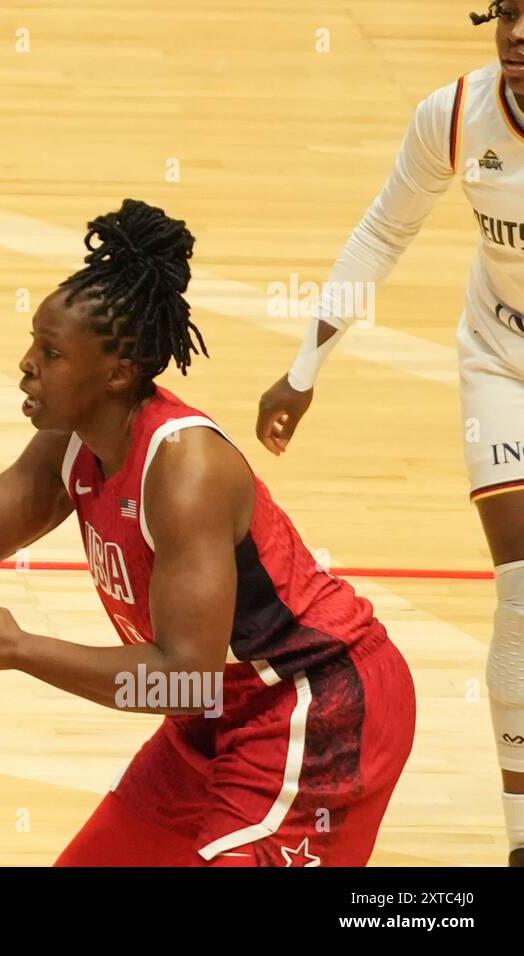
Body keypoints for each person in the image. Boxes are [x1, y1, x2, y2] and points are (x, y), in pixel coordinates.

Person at [0, 199, 416, 866]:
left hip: (314, 709)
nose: (27, 363)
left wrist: (22, 649)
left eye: (52, 352)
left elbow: (184, 678)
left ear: (118, 373)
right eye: (35, 342)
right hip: (214, 719)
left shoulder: (186, 471)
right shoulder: (71, 444)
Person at [255, 1, 524, 866]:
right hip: (501, 364)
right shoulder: (454, 117)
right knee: (522, 599)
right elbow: (382, 232)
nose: (518, 35)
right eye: (509, 14)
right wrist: (305, 366)